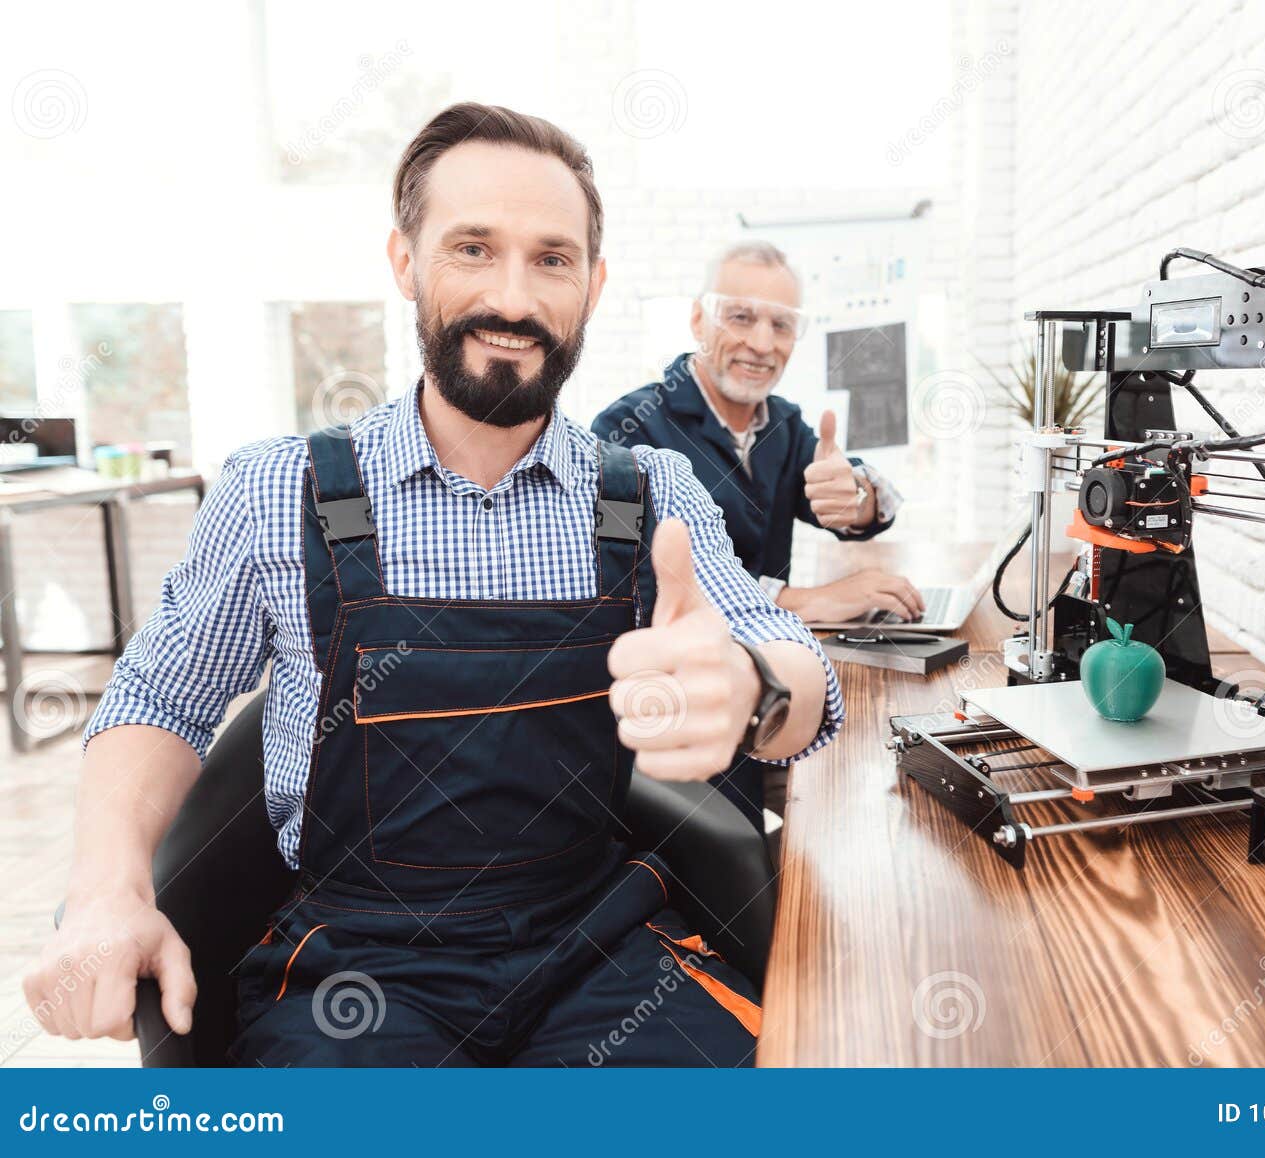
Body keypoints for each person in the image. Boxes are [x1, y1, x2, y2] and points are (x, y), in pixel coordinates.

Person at [22, 103, 841, 1068]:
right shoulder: (280, 489)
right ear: (405, 261)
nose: (514, 296)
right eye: (472, 249)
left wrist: (756, 688)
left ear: (594, 284)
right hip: (357, 971)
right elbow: (160, 698)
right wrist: (108, 888)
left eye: (552, 258)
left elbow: (803, 679)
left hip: (596, 948)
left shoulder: (651, 493)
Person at [592, 242, 921, 826]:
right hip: (684, 713)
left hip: (777, 689)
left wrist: (859, 496)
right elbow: (632, 591)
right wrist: (812, 600)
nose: (762, 344)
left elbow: (853, 497)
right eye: (740, 316)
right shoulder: (626, 430)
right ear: (698, 319)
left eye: (781, 325)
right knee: (741, 868)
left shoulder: (786, 425)